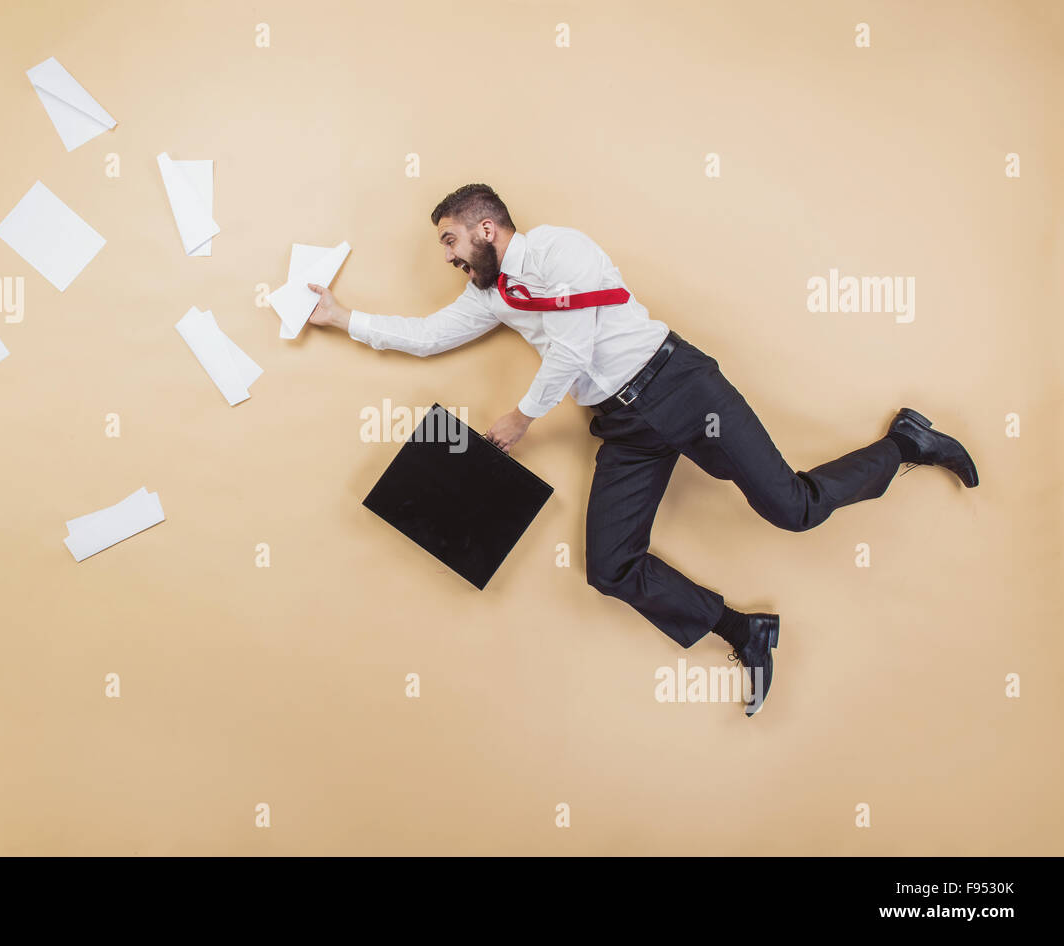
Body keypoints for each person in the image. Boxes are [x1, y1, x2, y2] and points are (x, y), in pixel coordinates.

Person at [304, 183, 978, 717]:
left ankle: (903, 444)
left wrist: (521, 417)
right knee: (609, 566)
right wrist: (341, 318)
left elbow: (570, 346)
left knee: (792, 508)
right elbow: (426, 335)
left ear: (486, 227)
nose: (449, 256)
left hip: (680, 387)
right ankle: (747, 633)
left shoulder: (560, 250)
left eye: (450, 240)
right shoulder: (493, 296)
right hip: (625, 428)